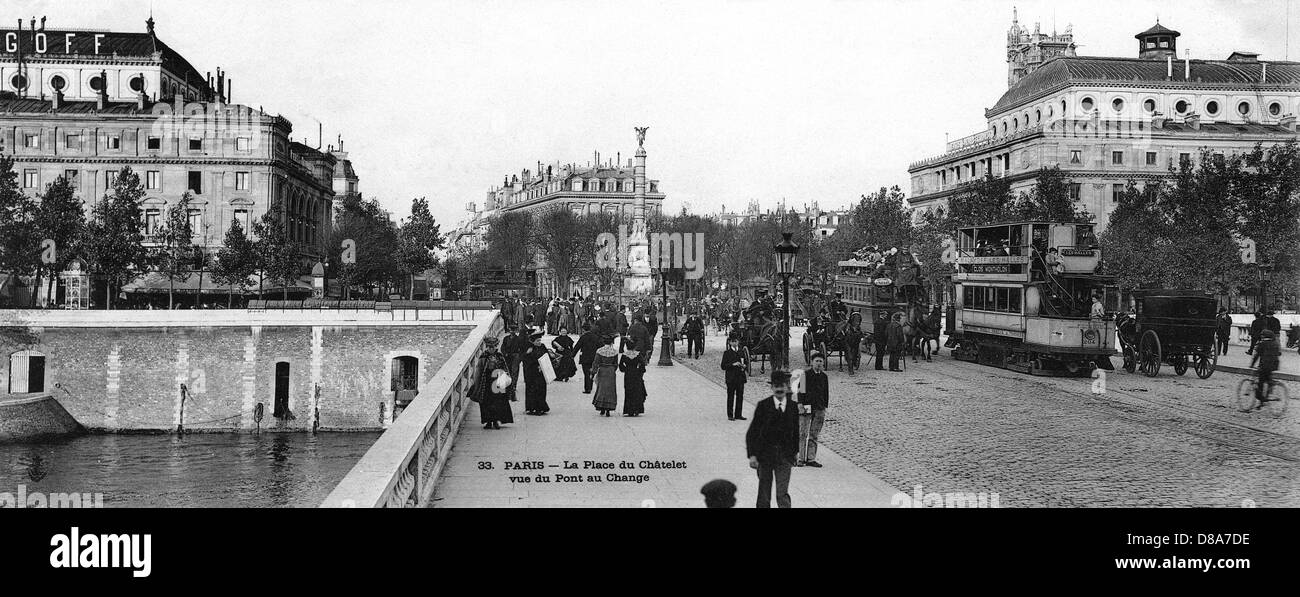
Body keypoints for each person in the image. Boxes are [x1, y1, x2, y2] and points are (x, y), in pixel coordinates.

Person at [745, 369, 800, 509]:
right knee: (764, 494)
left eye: (782, 386)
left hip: (785, 457)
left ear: (787, 387)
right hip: (765, 456)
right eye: (776, 386)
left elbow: (795, 431)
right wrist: (752, 455)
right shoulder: (763, 406)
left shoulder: (793, 407)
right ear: (772, 388)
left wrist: (795, 452)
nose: (779, 389)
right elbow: (752, 433)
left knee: (782, 493)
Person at [472, 337, 514, 430]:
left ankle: (495, 421)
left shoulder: (499, 356)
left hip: (497, 382)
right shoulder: (483, 356)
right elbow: (479, 371)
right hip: (486, 383)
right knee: (486, 403)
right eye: (489, 347)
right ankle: (488, 422)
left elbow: (505, 369)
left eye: (493, 347)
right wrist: (477, 384)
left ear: (496, 347)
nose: (491, 349)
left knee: (497, 402)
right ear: (487, 347)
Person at [797, 352, 829, 468]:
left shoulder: (824, 377)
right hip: (806, 406)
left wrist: (824, 406)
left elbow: (826, 392)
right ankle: (800, 459)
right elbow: (800, 390)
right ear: (812, 362)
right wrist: (800, 404)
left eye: (821, 361)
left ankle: (811, 459)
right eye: (817, 361)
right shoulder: (805, 375)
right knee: (803, 433)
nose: (819, 363)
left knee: (814, 434)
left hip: (819, 408)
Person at [521, 330, 552, 415]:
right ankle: (531, 408)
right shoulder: (529, 348)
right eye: (537, 341)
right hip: (532, 373)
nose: (539, 342)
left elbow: (547, 357)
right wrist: (527, 354)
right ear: (533, 341)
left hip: (541, 373)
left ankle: (540, 408)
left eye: (539, 340)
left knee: (541, 390)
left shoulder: (543, 347)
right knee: (531, 390)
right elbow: (525, 359)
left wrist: (543, 365)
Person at [1250, 329, 1281, 408]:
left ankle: (1262, 399)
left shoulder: (1262, 344)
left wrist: (1252, 364)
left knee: (1261, 383)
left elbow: (1256, 355)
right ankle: (1265, 397)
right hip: (1273, 365)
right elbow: (1279, 353)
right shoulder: (1275, 343)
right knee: (1267, 380)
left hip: (1264, 366)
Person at [591, 335, 620, 416]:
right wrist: (613, 369)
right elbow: (616, 364)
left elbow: (595, 363)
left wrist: (593, 372)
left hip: (602, 370)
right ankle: (608, 409)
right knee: (610, 390)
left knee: (601, 389)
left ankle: (602, 408)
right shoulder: (614, 351)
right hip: (611, 371)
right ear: (611, 343)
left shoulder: (599, 351)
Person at [721, 335, 748, 421]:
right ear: (730, 342)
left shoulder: (741, 352)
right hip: (731, 378)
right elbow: (723, 366)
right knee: (731, 396)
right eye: (732, 341)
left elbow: (746, 362)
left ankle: (738, 414)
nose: (734, 343)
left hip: (740, 377)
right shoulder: (727, 353)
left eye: (736, 341)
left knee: (740, 396)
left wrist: (744, 366)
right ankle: (730, 415)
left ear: (738, 342)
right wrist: (733, 364)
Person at [501, 326, 528, 401]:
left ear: (516, 331)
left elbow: (522, 349)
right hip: (507, 357)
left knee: (514, 372)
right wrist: (505, 353)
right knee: (507, 371)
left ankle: (513, 387)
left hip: (515, 356)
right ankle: (508, 387)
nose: (512, 332)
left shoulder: (519, 339)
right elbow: (503, 347)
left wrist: (520, 357)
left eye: (513, 330)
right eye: (511, 330)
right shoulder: (506, 338)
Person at [620, 347, 647, 416]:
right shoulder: (638, 354)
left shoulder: (624, 355)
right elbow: (642, 364)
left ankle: (629, 410)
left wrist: (625, 369)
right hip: (636, 374)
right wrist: (640, 371)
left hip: (628, 374)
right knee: (636, 391)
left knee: (628, 391)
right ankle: (637, 409)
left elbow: (621, 365)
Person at [575, 323, 601, 394]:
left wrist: (572, 355)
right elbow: (600, 346)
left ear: (583, 329)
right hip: (594, 357)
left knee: (586, 373)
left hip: (585, 358)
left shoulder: (583, 337)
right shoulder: (595, 337)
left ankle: (587, 388)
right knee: (592, 372)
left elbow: (577, 346)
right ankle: (590, 386)